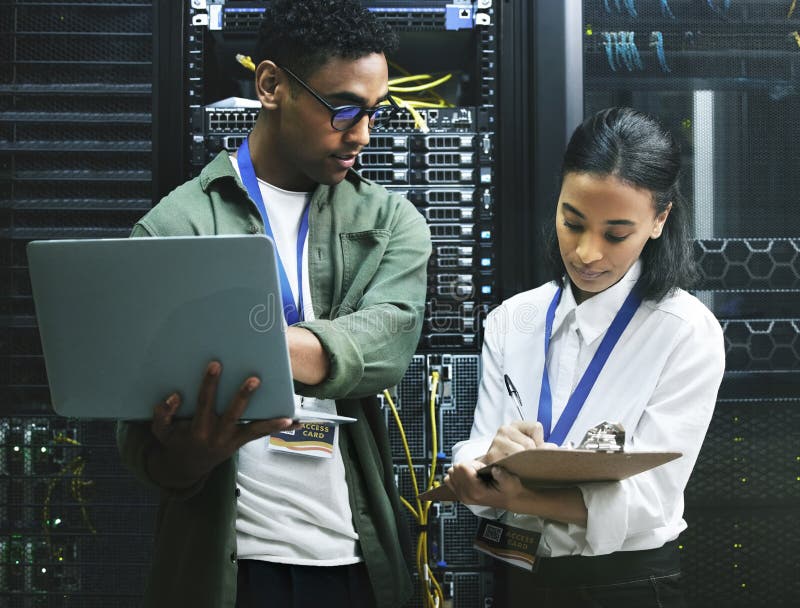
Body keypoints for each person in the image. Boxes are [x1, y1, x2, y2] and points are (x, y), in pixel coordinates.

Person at [117, 1, 431, 607]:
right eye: (344, 109)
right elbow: (142, 448)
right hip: (230, 573)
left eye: (373, 113)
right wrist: (190, 454)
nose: (361, 135)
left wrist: (240, 346)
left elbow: (389, 339)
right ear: (271, 85)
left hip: (355, 562)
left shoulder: (390, 222)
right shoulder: (173, 227)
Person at [444, 107, 725, 607]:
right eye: (572, 223)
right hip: (519, 577)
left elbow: (651, 499)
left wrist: (521, 497)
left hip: (626, 585)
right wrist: (485, 459)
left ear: (660, 220)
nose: (586, 253)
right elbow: (474, 446)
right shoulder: (514, 319)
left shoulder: (685, 332)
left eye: (616, 234)